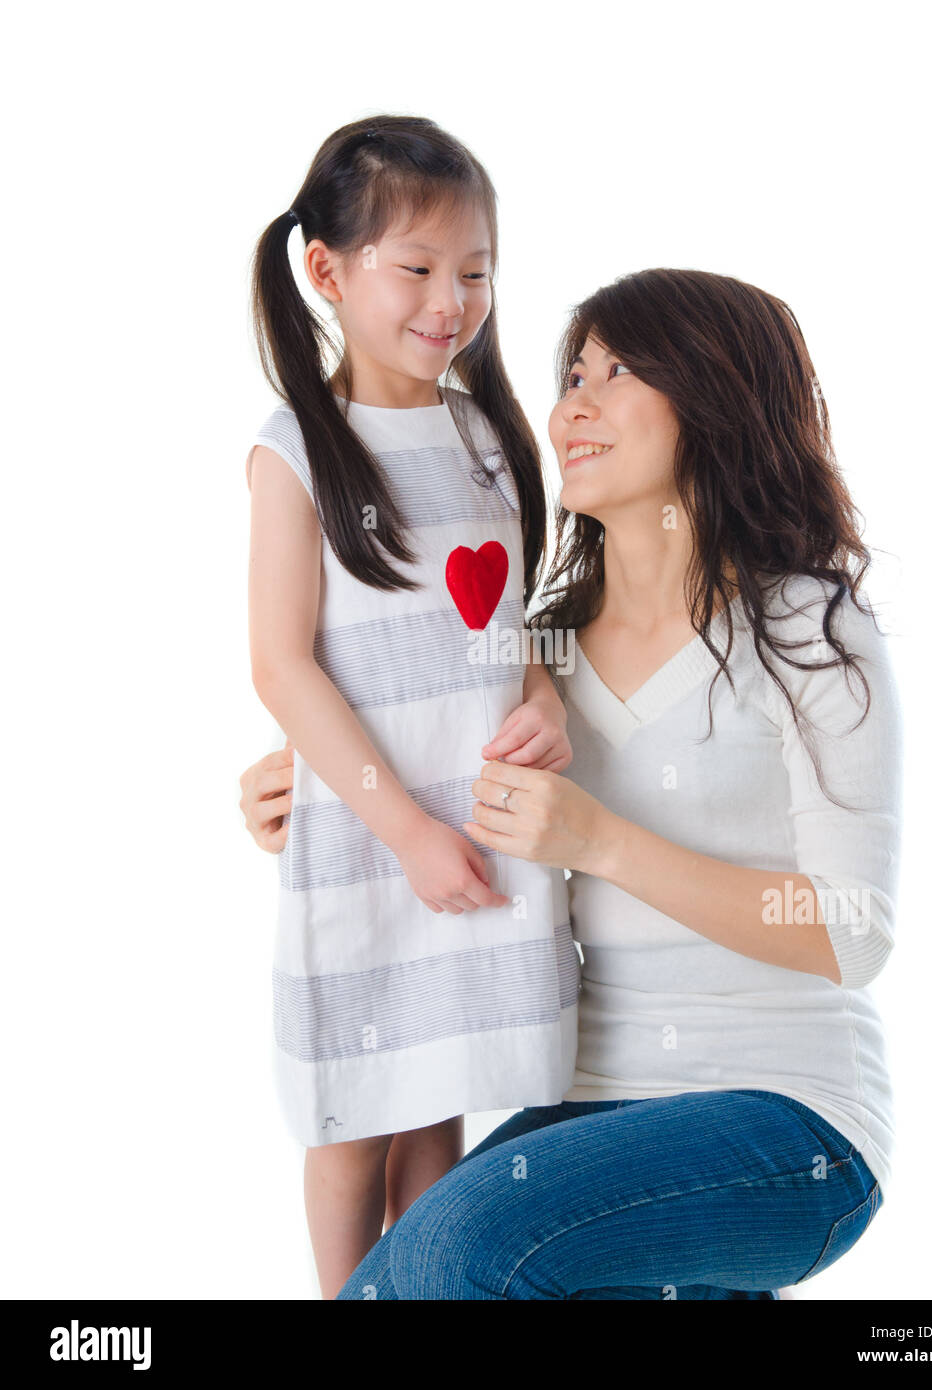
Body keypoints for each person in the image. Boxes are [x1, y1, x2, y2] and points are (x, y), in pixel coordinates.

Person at [240, 266, 903, 1299]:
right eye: (572, 373)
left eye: (619, 372)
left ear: (717, 395)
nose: (570, 409)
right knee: (404, 1265)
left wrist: (600, 841)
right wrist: (310, 787)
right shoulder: (530, 645)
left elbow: (854, 930)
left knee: (462, 1242)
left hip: (788, 1112)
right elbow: (411, 757)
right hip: (588, 1103)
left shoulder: (808, 629)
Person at [245, 116, 580, 1299]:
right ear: (328, 272)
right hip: (376, 836)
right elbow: (283, 665)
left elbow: (509, 620)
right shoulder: (298, 449)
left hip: (476, 824)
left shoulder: (489, 434)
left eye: (476, 272)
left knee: (433, 1098)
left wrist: (542, 692)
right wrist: (406, 832)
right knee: (352, 1114)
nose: (453, 301)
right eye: (420, 268)